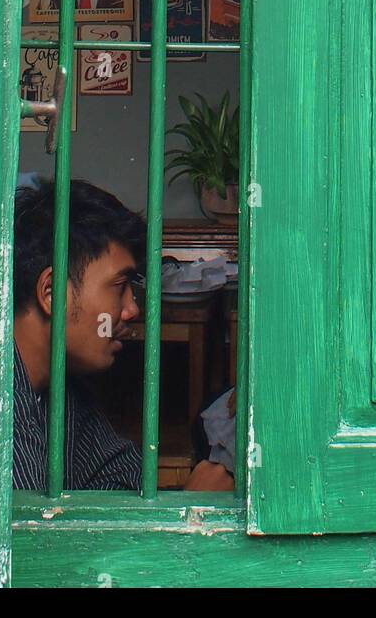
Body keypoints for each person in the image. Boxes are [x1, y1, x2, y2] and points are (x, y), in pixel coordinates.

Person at [13, 178, 232, 491]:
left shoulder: (62, 389)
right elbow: (30, 541)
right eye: (119, 287)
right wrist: (188, 520)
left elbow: (124, 483)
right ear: (51, 292)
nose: (131, 310)